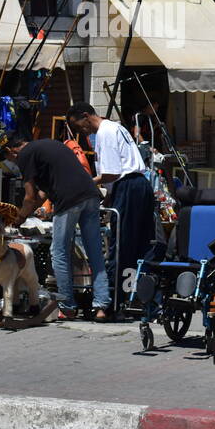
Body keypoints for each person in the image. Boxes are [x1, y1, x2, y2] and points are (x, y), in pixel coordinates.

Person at [4, 136, 109, 321]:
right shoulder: (48, 145)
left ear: (11, 151)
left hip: (69, 200)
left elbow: (29, 197)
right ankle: (101, 307)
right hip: (91, 196)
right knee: (94, 252)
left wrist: (18, 219)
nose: (13, 163)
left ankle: (67, 307)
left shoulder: (25, 155)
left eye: (10, 159)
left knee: (58, 251)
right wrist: (33, 212)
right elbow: (41, 194)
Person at [66, 102, 154, 312]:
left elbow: (112, 173)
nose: (79, 130)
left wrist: (87, 183)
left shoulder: (104, 133)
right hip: (139, 185)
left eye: (78, 125)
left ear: (86, 116)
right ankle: (138, 296)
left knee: (122, 244)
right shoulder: (115, 127)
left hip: (129, 186)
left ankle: (116, 299)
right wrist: (109, 196)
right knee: (139, 243)